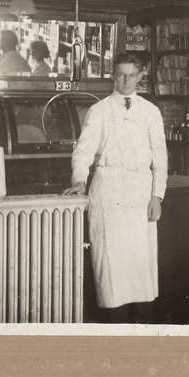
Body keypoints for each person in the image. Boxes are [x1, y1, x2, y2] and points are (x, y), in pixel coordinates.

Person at [64, 53, 167, 322]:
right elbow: (83, 151)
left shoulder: (150, 111)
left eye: (132, 75)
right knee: (111, 267)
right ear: (113, 76)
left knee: (140, 266)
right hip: (108, 192)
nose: (126, 81)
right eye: (121, 74)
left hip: (140, 193)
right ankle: (116, 329)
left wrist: (157, 196)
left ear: (141, 76)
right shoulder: (99, 111)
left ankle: (143, 332)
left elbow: (160, 158)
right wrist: (79, 180)